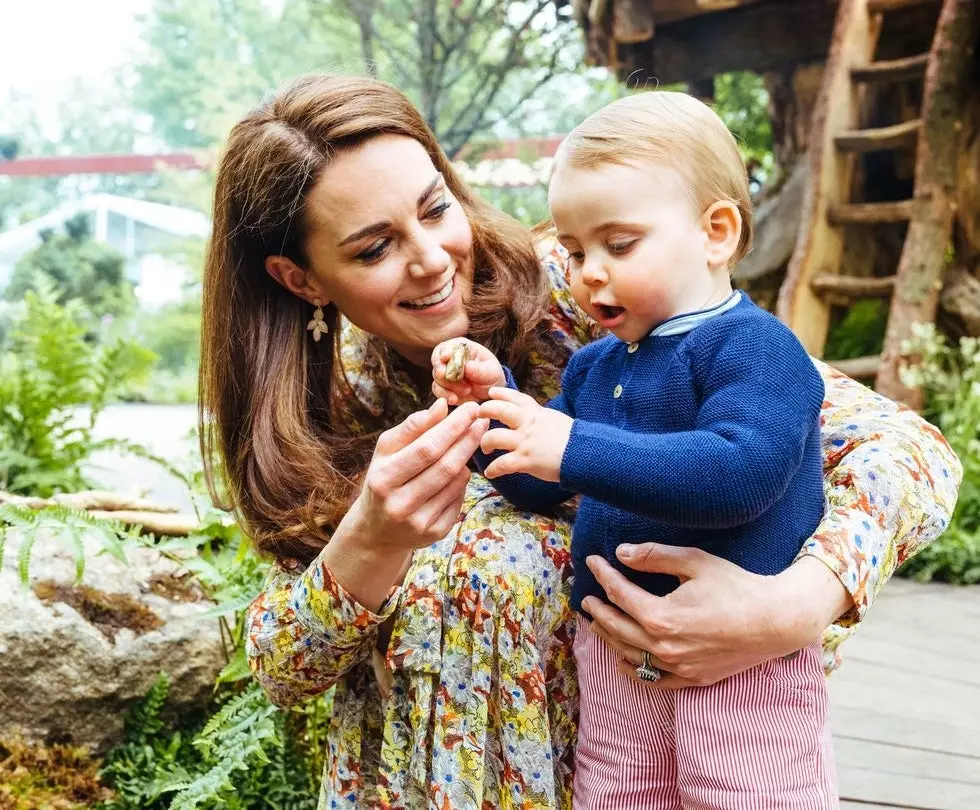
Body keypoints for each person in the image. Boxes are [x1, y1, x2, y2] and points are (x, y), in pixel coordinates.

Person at [198, 73, 961, 810]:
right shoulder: (320, 409)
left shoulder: (596, 288)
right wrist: (370, 541)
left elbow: (908, 449)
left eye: (435, 209)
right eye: (374, 249)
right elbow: (283, 667)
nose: (431, 259)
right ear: (301, 280)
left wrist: (796, 606)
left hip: (677, 736)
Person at [432, 91, 836, 808]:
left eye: (619, 245)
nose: (590, 272)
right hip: (614, 650)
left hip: (741, 659)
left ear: (715, 233)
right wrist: (490, 411)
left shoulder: (755, 348)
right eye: (576, 250)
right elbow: (536, 481)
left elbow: (742, 473)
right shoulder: (595, 367)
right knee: (620, 793)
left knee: (750, 793)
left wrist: (573, 448)